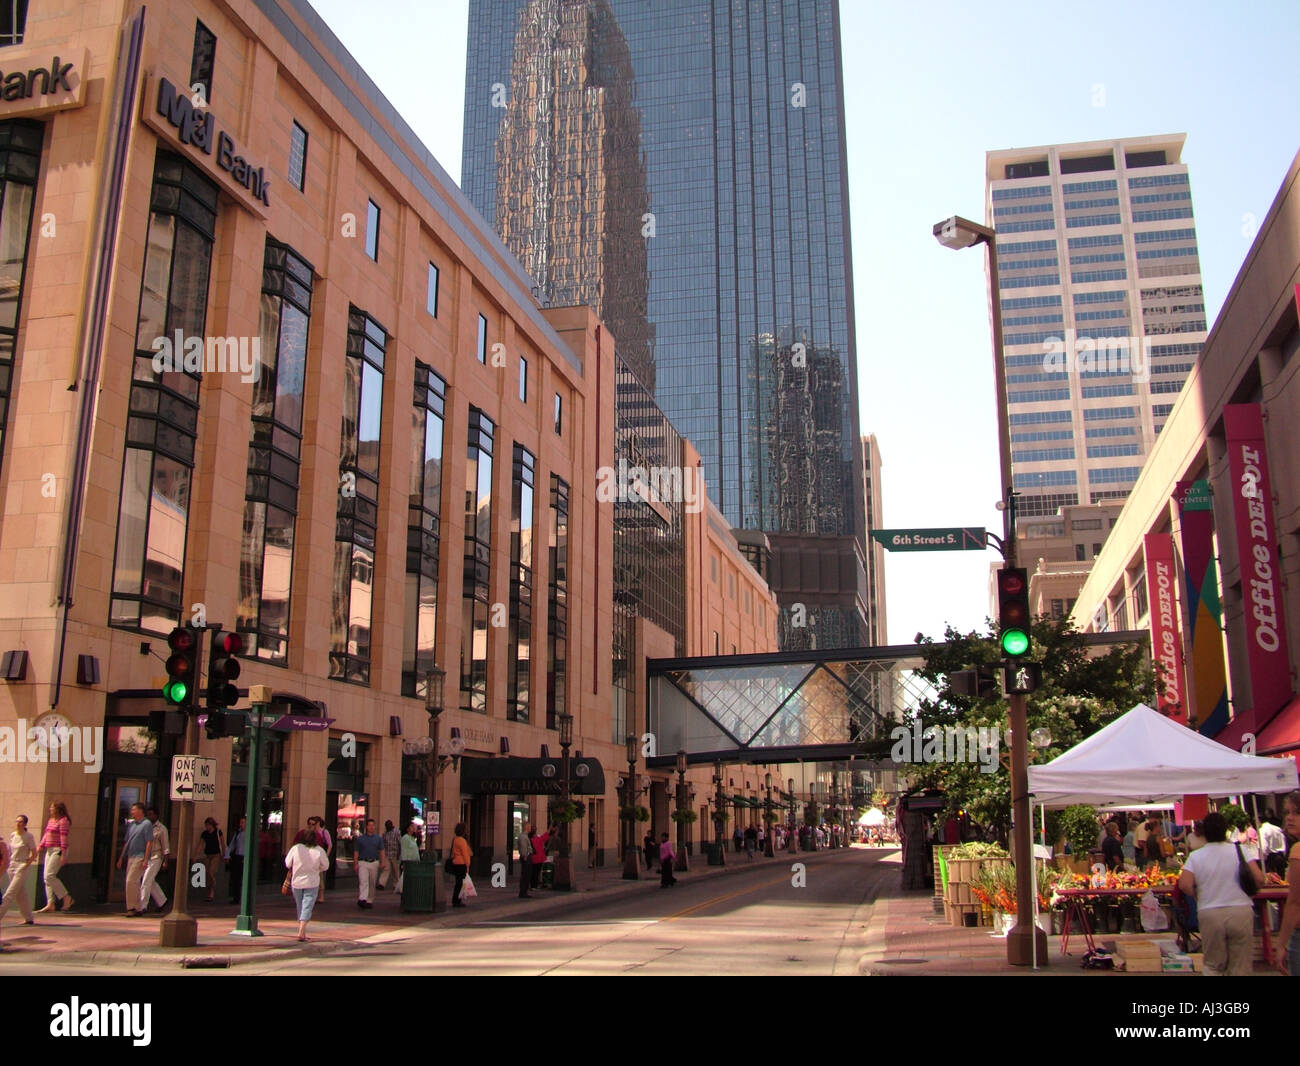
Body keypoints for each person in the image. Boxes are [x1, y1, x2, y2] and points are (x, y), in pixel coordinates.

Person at [1178, 811, 1265, 976]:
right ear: (1225, 830)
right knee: (1241, 965)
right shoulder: (1241, 851)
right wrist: (1249, 895)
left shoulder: (1196, 856)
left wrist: (1198, 897)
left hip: (1210, 912)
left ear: (1205, 833)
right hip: (1240, 910)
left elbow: (1184, 884)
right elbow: (1259, 879)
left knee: (1213, 965)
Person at [284, 828, 329, 942]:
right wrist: (317, 868)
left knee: (300, 905)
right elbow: (326, 866)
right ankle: (301, 931)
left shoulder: (296, 848)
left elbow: (287, 863)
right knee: (307, 906)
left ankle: (302, 930)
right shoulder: (319, 850)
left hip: (297, 882)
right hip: (312, 882)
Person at [1273, 791, 1300, 975]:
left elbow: (1295, 902)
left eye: (1297, 813)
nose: (1290, 818)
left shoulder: (1298, 851)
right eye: (1287, 812)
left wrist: (1281, 944)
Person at [0, 815, 37, 932]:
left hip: (22, 866)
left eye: (21, 822)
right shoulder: (13, 835)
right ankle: (28, 917)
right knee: (20, 893)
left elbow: (34, 853)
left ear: (25, 824)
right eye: (17, 821)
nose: (18, 824)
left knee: (10, 892)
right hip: (12, 865)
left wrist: (27, 864)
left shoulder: (28, 836)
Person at [116, 803, 152, 917]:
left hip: (140, 856)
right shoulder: (132, 825)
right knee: (134, 882)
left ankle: (131, 907)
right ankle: (138, 907)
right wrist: (121, 857)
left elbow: (149, 842)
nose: (132, 812)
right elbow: (127, 841)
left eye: (134, 810)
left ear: (141, 811)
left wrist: (146, 859)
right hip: (131, 856)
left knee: (130, 881)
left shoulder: (147, 824)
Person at [36, 801, 72, 913]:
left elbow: (63, 837)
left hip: (58, 850)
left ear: (58, 809)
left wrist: (63, 854)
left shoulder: (63, 821)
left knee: (49, 875)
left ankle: (66, 897)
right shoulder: (51, 820)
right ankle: (50, 903)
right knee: (46, 878)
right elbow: (47, 834)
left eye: (52, 808)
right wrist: (40, 846)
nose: (50, 809)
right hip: (49, 849)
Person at [138, 807, 170, 913]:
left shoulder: (162, 829)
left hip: (156, 857)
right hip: (146, 857)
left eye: (151, 814)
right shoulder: (146, 827)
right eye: (148, 814)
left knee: (146, 881)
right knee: (150, 881)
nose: (150, 816)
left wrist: (165, 861)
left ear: (156, 815)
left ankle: (143, 906)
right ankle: (162, 901)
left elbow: (165, 846)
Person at [354, 818, 383, 908]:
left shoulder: (378, 839)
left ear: (375, 827)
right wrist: (355, 863)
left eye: (373, 825)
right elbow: (356, 851)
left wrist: (383, 862)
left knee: (372, 882)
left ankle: (370, 899)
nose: (371, 827)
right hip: (363, 862)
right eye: (369, 825)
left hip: (374, 862)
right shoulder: (360, 839)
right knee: (363, 880)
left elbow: (382, 850)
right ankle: (362, 899)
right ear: (366, 827)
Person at [197, 817, 224, 902]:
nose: (206, 827)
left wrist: (224, 854)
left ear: (211, 825)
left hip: (216, 855)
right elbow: (200, 845)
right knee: (207, 873)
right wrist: (195, 855)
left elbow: (222, 843)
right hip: (208, 855)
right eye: (206, 825)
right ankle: (209, 891)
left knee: (211, 872)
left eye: (208, 825)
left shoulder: (218, 832)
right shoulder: (204, 834)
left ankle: (211, 891)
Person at [450, 822, 472, 907]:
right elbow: (465, 854)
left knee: (458, 883)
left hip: (456, 862)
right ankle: (457, 901)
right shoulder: (462, 841)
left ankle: (456, 900)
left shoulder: (455, 839)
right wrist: (467, 864)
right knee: (460, 883)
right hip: (461, 863)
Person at [226, 816, 247, 903]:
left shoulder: (249, 833)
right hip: (237, 856)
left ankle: (245, 898)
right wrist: (227, 855)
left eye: (243, 822)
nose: (241, 824)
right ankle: (236, 897)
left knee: (244, 878)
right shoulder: (238, 832)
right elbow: (232, 844)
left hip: (245, 857)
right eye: (240, 822)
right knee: (236, 878)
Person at [1261, 810, 1287, 876]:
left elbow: (1264, 846)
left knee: (1273, 880)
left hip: (1271, 857)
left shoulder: (1262, 830)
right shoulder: (1278, 828)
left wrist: (1264, 858)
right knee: (1282, 878)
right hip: (1280, 855)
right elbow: (1283, 841)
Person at [398, 823, 420, 894]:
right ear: (407, 829)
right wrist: (404, 862)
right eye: (411, 827)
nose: (413, 828)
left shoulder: (413, 838)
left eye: (414, 827)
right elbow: (404, 850)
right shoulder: (405, 838)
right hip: (408, 861)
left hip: (414, 861)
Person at [381, 820, 401, 891]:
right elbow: (382, 844)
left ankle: (396, 884)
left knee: (395, 870)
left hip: (395, 854)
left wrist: (399, 853)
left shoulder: (397, 832)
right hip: (387, 854)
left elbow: (400, 843)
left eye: (388, 826)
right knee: (386, 869)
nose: (387, 827)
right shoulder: (385, 833)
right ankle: (381, 884)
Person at [518, 823, 535, 898]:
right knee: (526, 874)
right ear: (527, 828)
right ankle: (523, 892)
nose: (531, 828)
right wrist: (525, 856)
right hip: (526, 857)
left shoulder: (524, 836)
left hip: (527, 857)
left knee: (527, 874)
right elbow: (523, 847)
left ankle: (524, 891)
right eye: (530, 827)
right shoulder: (523, 837)